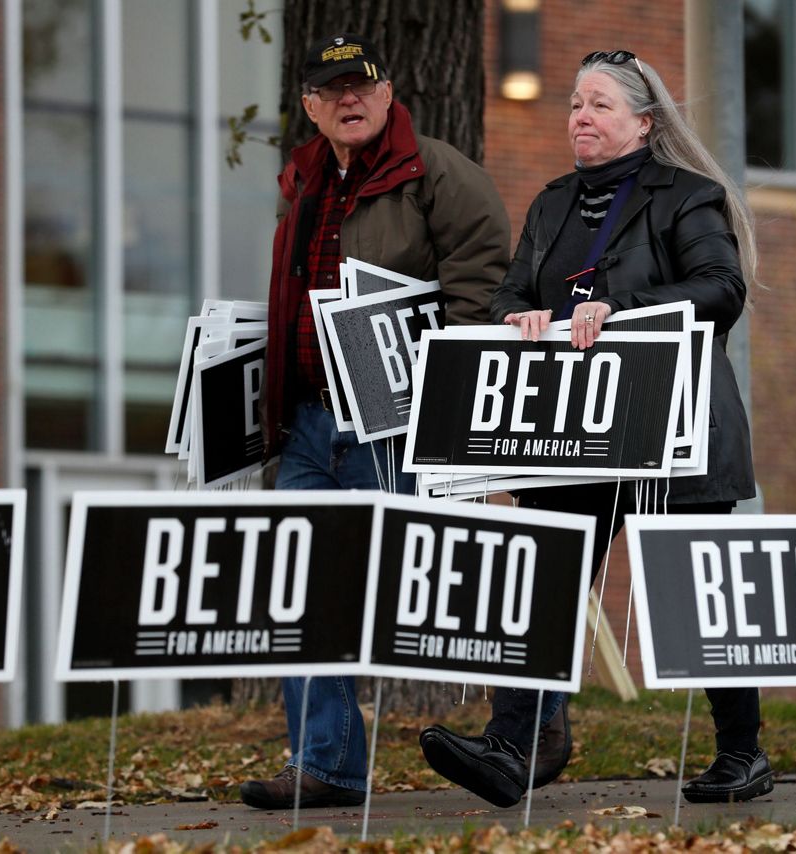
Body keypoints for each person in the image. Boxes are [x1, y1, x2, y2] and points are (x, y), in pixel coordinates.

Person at [418, 50, 768, 807]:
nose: (581, 115)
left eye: (600, 104)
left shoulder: (689, 196)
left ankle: (743, 753)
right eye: (576, 103)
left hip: (674, 425)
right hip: (573, 429)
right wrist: (520, 317)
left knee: (694, 593)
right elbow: (508, 293)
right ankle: (514, 746)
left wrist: (619, 311)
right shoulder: (550, 205)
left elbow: (721, 290)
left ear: (644, 122)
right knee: (539, 574)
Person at [238, 33, 511, 810]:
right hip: (311, 425)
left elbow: (482, 291)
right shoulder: (306, 181)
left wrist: (446, 406)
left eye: (362, 86)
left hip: (405, 423)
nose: (350, 99)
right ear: (312, 107)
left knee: (455, 581)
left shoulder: (437, 172)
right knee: (300, 585)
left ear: (388, 94)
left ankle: (534, 723)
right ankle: (325, 763)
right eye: (333, 91)